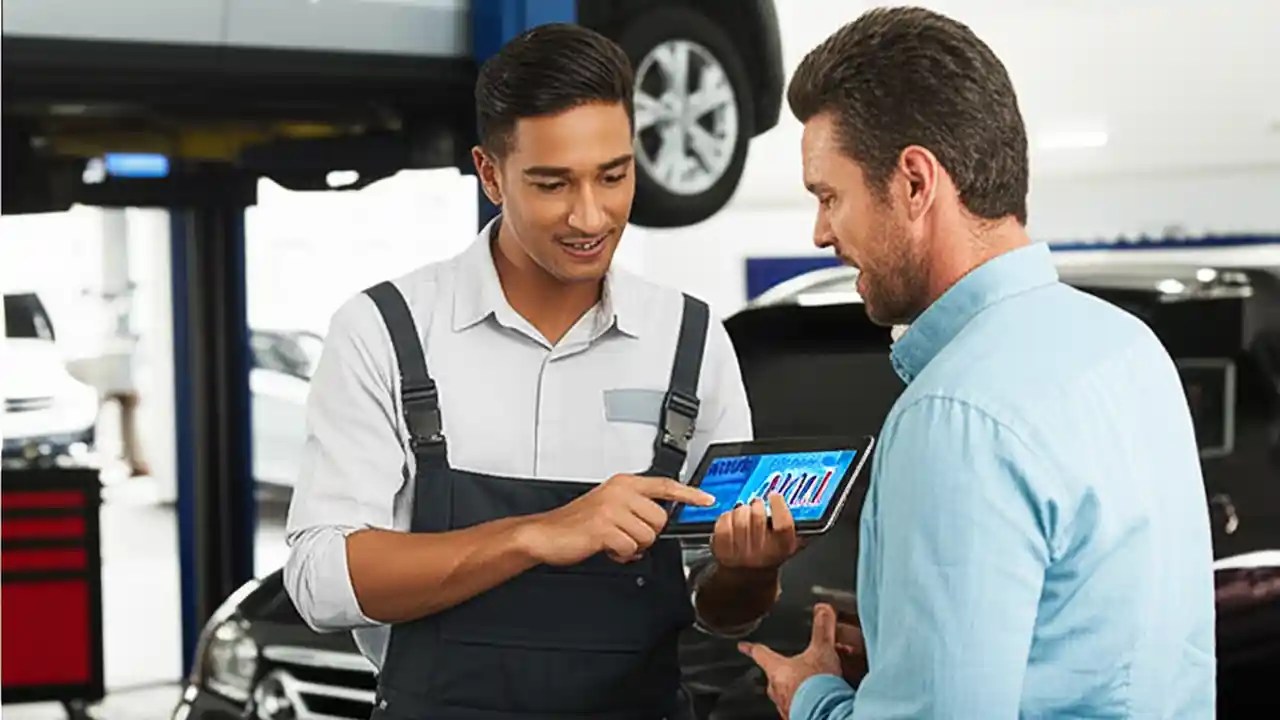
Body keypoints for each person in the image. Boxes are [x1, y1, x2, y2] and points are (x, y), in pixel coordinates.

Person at [282, 23, 800, 720]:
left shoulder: (691, 340)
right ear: (490, 175)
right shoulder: (387, 332)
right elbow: (319, 582)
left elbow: (720, 609)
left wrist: (750, 571)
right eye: (553, 184)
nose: (591, 215)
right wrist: (534, 536)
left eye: (613, 176)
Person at [738, 7, 1216, 719]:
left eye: (830, 196)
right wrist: (910, 658)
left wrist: (811, 696)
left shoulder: (954, 414)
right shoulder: (1129, 348)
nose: (819, 232)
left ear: (914, 183)